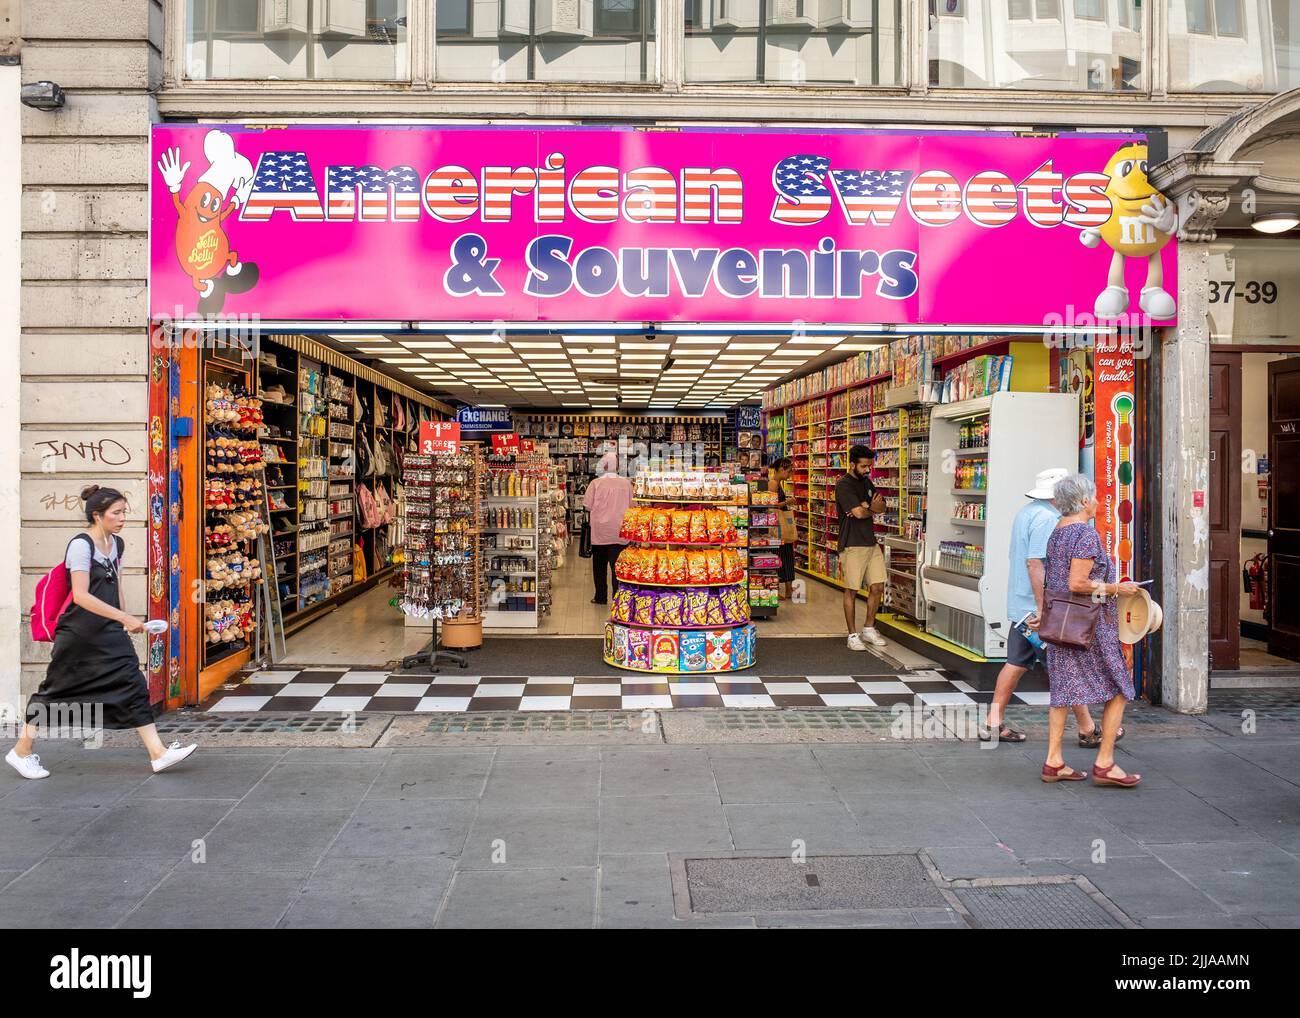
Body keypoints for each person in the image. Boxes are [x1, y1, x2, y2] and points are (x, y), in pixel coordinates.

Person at [7, 485, 197, 780]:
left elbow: (115, 585)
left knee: (133, 682)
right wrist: (123, 617)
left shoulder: (117, 544)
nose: (122, 518)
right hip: (78, 634)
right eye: (116, 513)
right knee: (55, 692)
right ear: (97, 515)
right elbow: (81, 595)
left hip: (108, 631)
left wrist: (128, 621)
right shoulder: (80, 545)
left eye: (123, 512)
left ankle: (158, 753)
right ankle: (21, 750)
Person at [982, 468, 1118, 747]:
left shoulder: (1028, 511)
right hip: (1037, 609)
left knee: (1016, 663)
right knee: (1064, 667)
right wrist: (1044, 610)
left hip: (1022, 606)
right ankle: (1087, 729)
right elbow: (1035, 564)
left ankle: (992, 723)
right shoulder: (1047, 518)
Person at [1039, 474, 1142, 786]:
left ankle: (1054, 761)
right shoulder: (1085, 534)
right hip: (1090, 627)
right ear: (1084, 501)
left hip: (1061, 624)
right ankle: (1105, 762)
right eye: (1094, 497)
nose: (1098, 502)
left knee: (1063, 692)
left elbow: (1055, 579)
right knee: (1121, 688)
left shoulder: (1057, 532)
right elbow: (1078, 584)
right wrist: (1115, 589)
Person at [836, 445, 888, 650]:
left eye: (869, 466)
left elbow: (881, 506)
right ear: (852, 464)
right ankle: (852, 635)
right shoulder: (843, 485)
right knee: (851, 590)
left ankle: (869, 628)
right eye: (864, 466)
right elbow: (857, 513)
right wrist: (869, 508)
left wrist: (870, 508)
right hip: (852, 544)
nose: (868, 470)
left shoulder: (867, 482)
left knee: (877, 586)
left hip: (870, 542)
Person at [582, 450, 633, 605]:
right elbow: (633, 506)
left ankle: (600, 596)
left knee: (599, 567)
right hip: (620, 532)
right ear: (617, 466)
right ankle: (617, 599)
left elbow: (587, 506)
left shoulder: (595, 483)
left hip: (600, 533)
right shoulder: (626, 483)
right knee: (618, 568)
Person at [768, 457, 797, 600]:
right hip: (777, 525)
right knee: (779, 556)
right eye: (788, 471)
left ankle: (788, 589)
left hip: (781, 525)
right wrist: (788, 501)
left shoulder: (778, 483)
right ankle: (776, 589)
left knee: (786, 555)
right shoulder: (773, 484)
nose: (789, 474)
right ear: (781, 469)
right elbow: (772, 505)